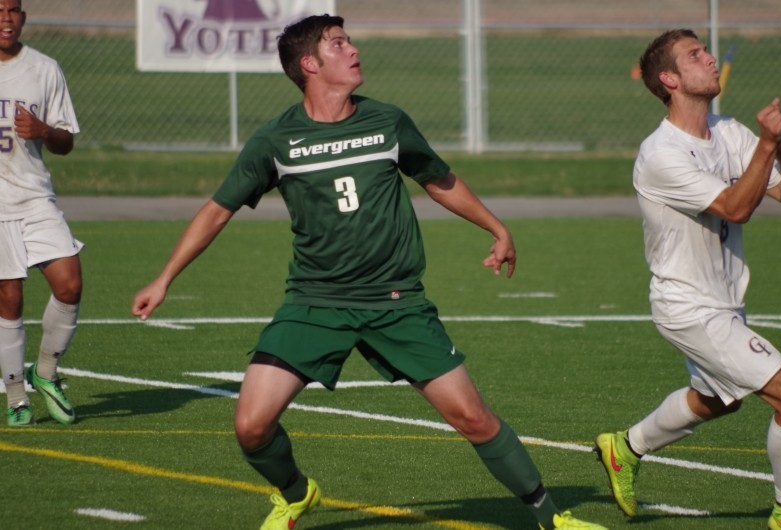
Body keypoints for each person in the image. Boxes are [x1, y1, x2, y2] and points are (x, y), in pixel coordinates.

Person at [132, 14, 606, 530]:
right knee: (250, 426)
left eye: (350, 40)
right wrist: (164, 278)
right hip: (314, 302)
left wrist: (496, 227)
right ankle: (295, 493)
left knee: (473, 418)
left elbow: (439, 179)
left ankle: (551, 519)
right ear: (310, 64)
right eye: (339, 43)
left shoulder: (387, 121)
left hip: (396, 303)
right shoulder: (275, 140)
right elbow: (217, 209)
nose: (354, 49)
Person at [594, 29, 781, 530]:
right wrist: (763, 146)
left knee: (719, 399)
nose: (710, 58)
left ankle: (625, 447)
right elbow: (736, 208)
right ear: (670, 79)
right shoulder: (661, 154)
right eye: (695, 55)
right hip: (687, 306)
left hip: (724, 301)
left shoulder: (728, 132)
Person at [0, 0, 81, 427]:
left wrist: (44, 131)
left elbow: (66, 140)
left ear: (24, 17)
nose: (6, 19)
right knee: (9, 298)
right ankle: (16, 398)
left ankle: (45, 372)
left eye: (13, 10)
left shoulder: (44, 68)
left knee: (69, 284)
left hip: (34, 198)